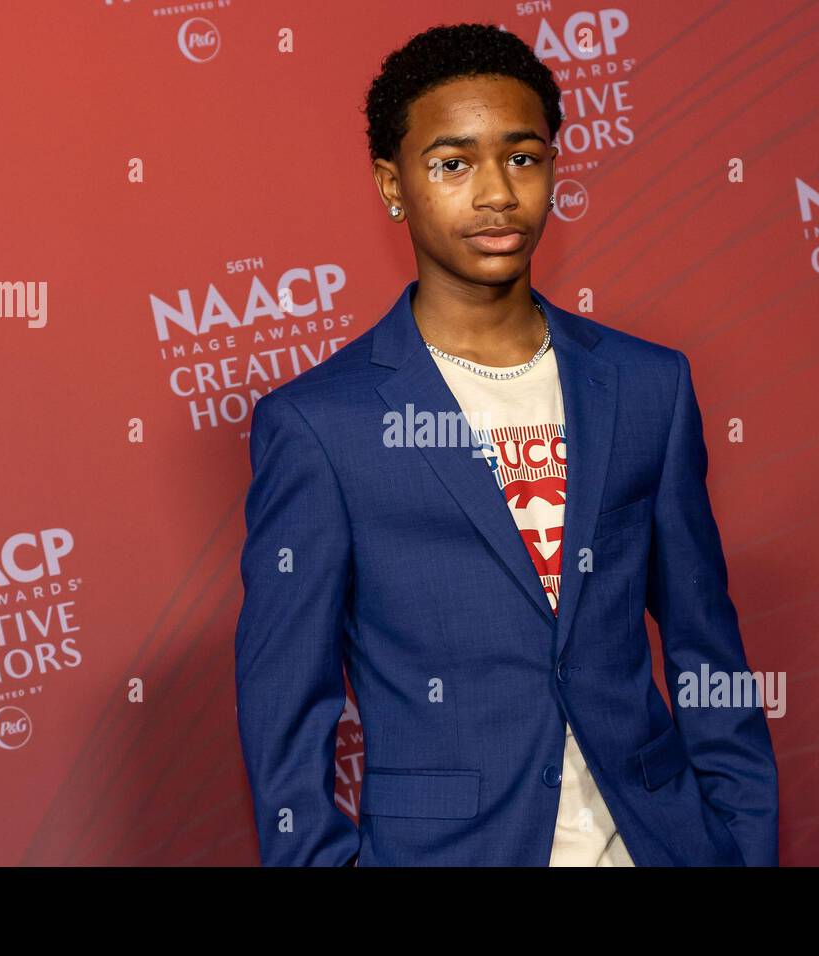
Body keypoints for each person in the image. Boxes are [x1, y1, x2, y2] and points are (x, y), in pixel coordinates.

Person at [234, 22, 778, 867]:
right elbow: (285, 703)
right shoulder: (318, 425)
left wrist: (741, 841)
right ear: (392, 183)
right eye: (453, 163)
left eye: (523, 158)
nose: (496, 193)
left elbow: (710, 646)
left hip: (657, 842)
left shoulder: (648, 386)